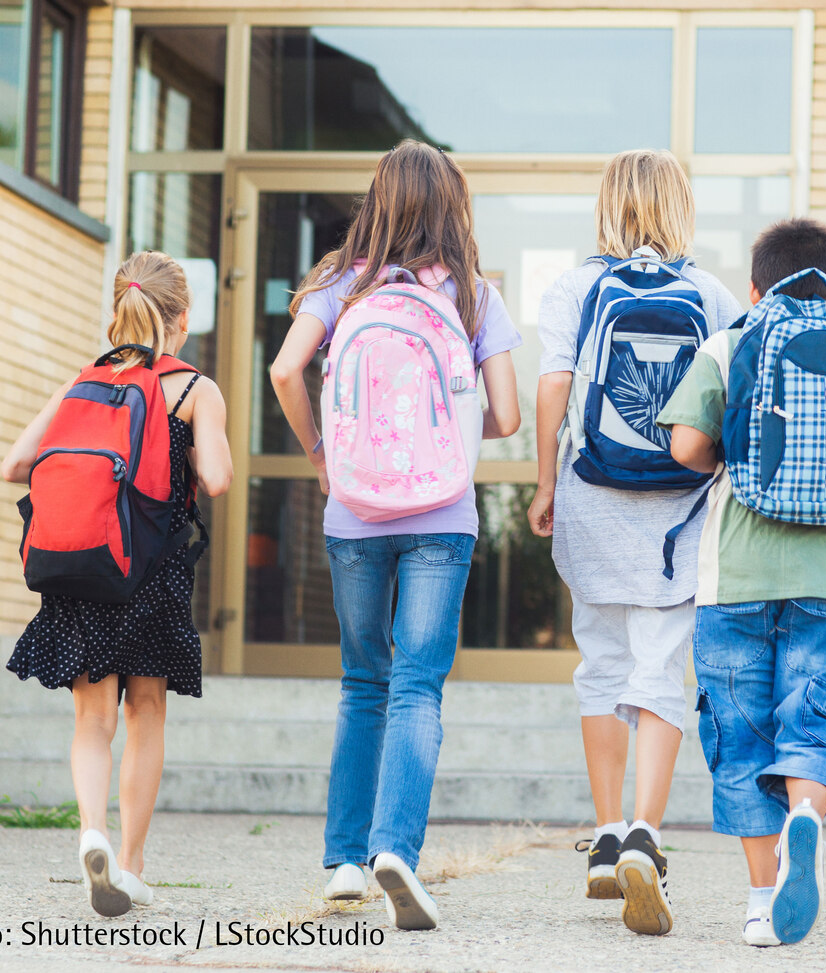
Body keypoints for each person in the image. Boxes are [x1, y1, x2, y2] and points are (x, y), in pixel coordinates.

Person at [270, 140, 521, 930]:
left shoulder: (339, 282)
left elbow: (284, 371)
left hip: (352, 515)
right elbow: (509, 417)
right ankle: (396, 852)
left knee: (361, 680)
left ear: (376, 199)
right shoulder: (476, 295)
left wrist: (321, 454)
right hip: (442, 516)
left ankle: (345, 859)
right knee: (417, 684)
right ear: (453, 205)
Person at [658, 217, 826, 948]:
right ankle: (806, 812)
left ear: (755, 283)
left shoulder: (733, 341)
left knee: (741, 737)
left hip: (734, 576)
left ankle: (759, 897)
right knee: (812, 719)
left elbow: (686, 445)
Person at [527, 148, 742, 936]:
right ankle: (647, 838)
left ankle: (607, 832)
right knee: (661, 665)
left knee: (601, 662)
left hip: (592, 494)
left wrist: (545, 483)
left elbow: (554, 385)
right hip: (680, 511)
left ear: (609, 204)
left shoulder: (575, 286)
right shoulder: (712, 293)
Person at [3, 251, 233, 917]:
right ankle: (129, 865)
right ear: (182, 318)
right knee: (145, 713)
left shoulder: (82, 383)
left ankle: (91, 833)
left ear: (118, 311)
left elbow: (14, 463)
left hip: (81, 566)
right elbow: (214, 479)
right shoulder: (192, 388)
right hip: (151, 573)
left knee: (92, 719)